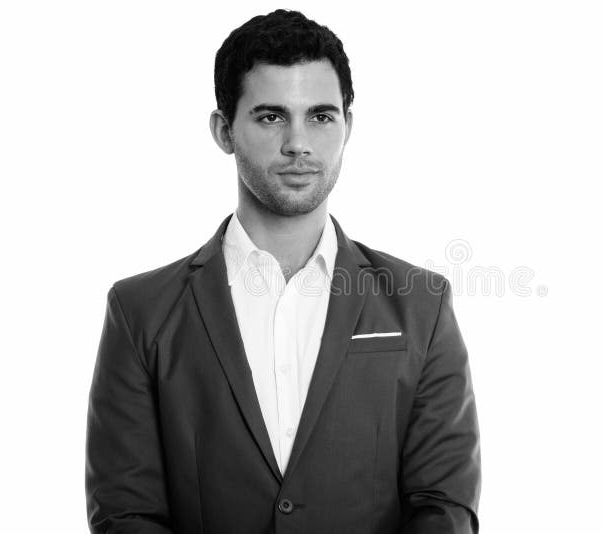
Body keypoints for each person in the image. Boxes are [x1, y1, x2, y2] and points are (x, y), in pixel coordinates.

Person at [85, 9, 481, 534]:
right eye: (271, 116)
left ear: (348, 126)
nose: (299, 143)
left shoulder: (421, 304)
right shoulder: (140, 311)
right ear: (224, 131)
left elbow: (444, 505)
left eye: (320, 116)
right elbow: (125, 512)